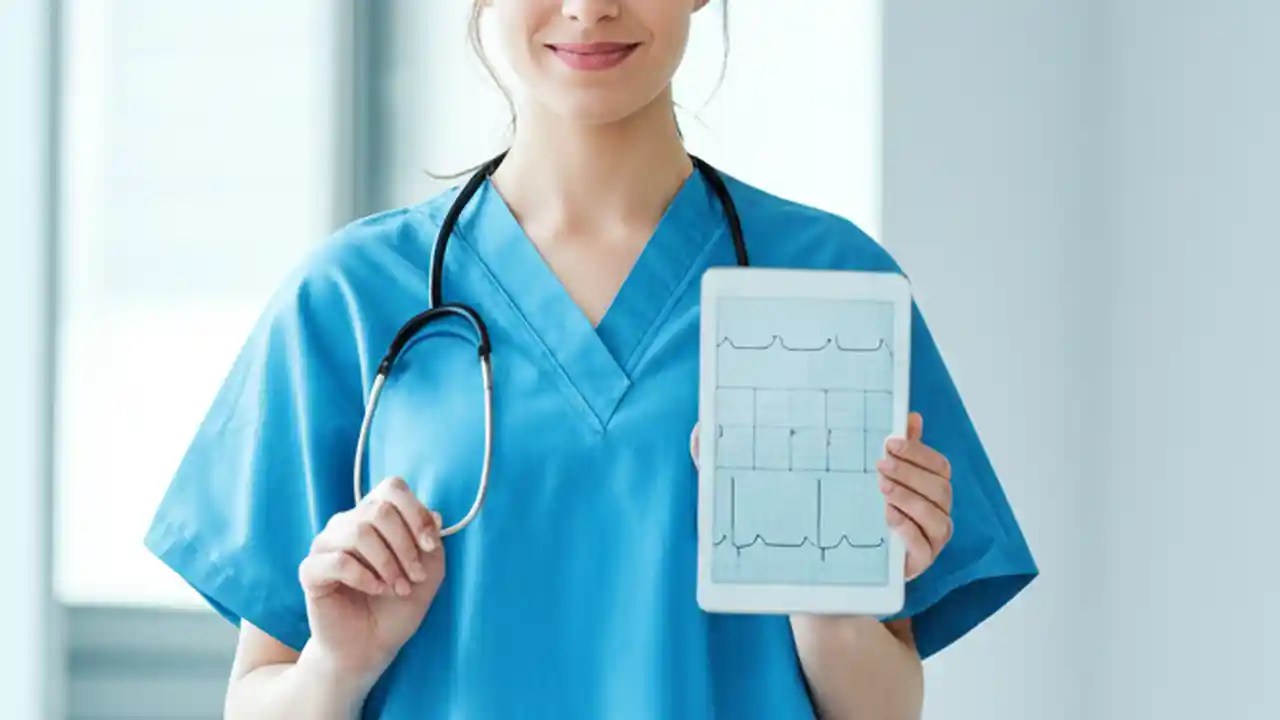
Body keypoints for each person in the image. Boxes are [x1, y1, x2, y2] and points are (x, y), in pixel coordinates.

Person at [144, 1, 1037, 718]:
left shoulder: (833, 286)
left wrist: (830, 598)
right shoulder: (349, 300)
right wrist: (339, 665)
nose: (590, 8)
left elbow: (882, 711)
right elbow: (262, 697)